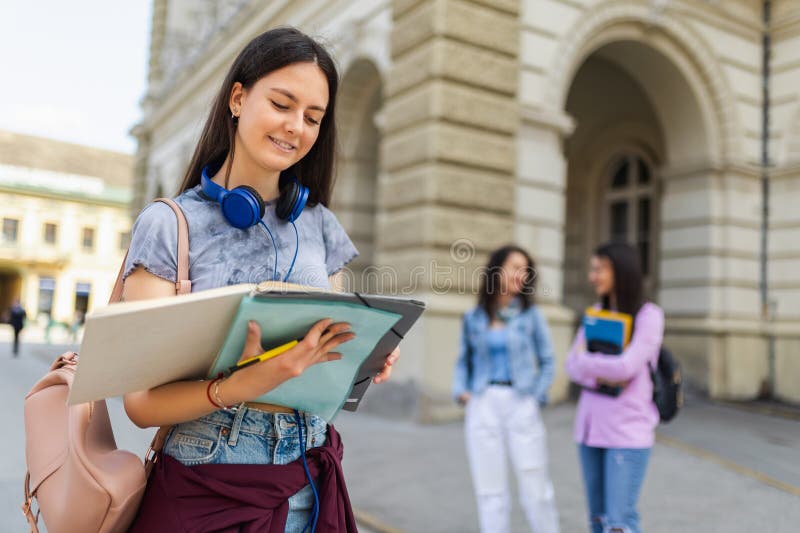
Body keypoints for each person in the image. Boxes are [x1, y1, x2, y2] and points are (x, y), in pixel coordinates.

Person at [121, 27, 400, 532]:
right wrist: (242, 385)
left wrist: (363, 354)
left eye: (313, 117)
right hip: (209, 478)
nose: (296, 126)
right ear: (238, 97)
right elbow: (140, 404)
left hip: (311, 481)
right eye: (282, 104)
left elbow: (326, 370)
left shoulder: (319, 225)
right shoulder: (168, 225)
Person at [452, 245, 560, 533]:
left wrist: (535, 397)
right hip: (483, 402)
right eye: (514, 266)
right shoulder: (474, 317)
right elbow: (463, 361)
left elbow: (548, 361)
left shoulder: (531, 316)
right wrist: (461, 391)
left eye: (525, 269)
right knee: (490, 490)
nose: (520, 274)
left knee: (535, 485)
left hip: (520, 400)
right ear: (496, 270)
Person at [565, 242, 664, 533]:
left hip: (627, 433)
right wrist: (602, 373)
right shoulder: (596, 311)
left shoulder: (648, 316)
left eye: (599, 269)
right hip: (589, 430)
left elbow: (627, 367)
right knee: (597, 520)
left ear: (620, 270)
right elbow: (571, 365)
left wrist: (588, 363)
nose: (592, 276)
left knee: (619, 524)